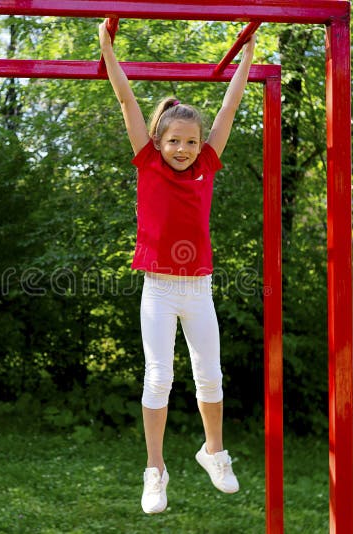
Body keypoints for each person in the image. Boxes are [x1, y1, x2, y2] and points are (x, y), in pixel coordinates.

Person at [98, 21, 256, 514]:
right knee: (158, 377)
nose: (183, 149)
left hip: (199, 289)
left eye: (191, 142)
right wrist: (106, 50)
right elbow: (126, 101)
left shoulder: (207, 165)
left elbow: (228, 108)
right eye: (174, 142)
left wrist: (246, 58)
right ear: (159, 142)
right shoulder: (148, 163)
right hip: (159, 290)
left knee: (211, 376)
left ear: (201, 144)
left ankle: (214, 452)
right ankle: (155, 470)